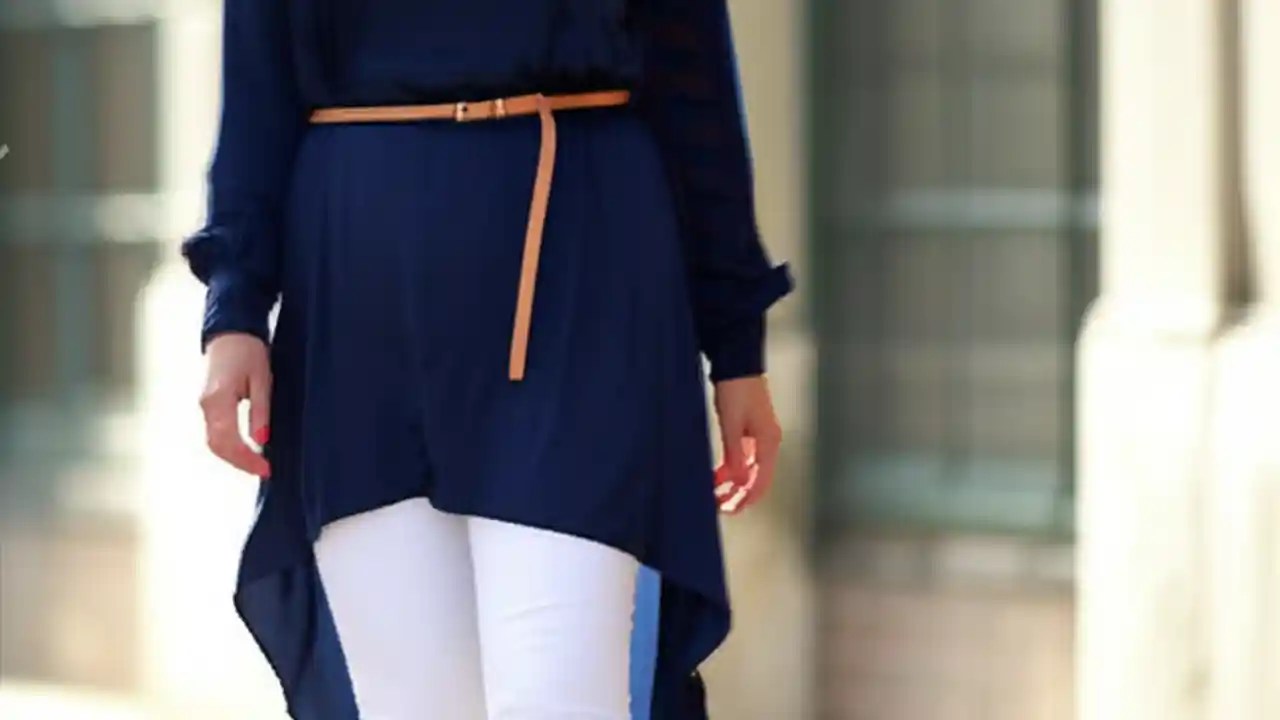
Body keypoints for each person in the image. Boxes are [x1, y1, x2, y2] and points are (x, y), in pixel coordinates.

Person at [183, 0, 793, 718]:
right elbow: (256, 89)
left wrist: (736, 344)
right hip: (359, 296)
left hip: (579, 272)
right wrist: (235, 310)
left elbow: (694, 83)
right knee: (415, 704)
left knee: (559, 695)